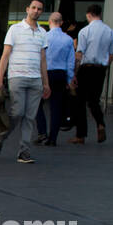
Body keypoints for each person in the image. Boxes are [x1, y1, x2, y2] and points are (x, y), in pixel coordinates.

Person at [0, 0, 50, 164]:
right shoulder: (15, 29)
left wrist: (45, 83)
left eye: (39, 9)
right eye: (34, 8)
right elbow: (5, 55)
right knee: (18, 112)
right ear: (27, 9)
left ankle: (24, 152)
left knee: (30, 117)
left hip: (36, 79)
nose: (36, 11)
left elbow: (43, 59)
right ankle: (1, 138)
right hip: (17, 76)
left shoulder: (42, 33)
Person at [71, 3, 113, 145]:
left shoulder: (85, 31)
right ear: (100, 14)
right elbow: (111, 55)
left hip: (86, 68)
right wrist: (104, 67)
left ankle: (80, 135)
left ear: (88, 14)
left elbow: (79, 53)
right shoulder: (109, 31)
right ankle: (100, 123)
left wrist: (74, 72)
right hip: (100, 69)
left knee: (80, 101)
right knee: (94, 100)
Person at [34, 12, 75, 146]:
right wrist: (69, 79)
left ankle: (42, 133)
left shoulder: (43, 37)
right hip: (60, 73)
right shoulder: (68, 39)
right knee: (56, 106)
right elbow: (70, 62)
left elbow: (38, 58)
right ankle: (53, 138)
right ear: (61, 23)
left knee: (37, 104)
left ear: (49, 22)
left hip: (44, 73)